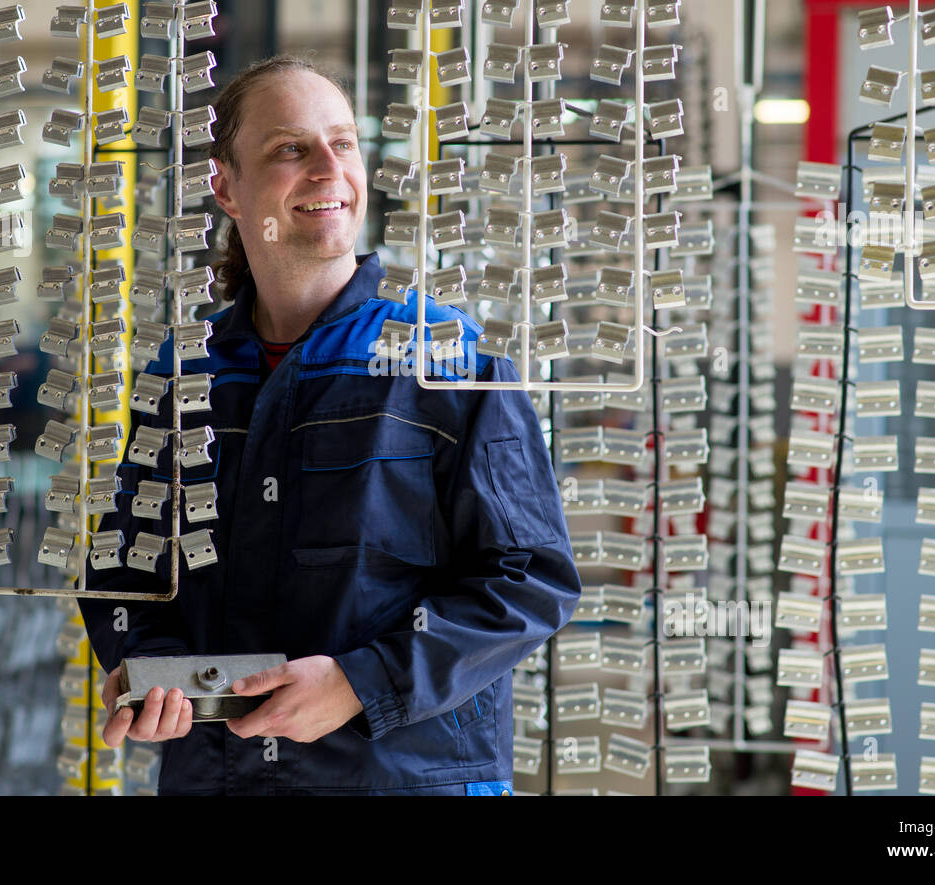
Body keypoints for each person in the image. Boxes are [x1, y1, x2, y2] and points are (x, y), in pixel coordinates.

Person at [78, 54, 581, 795]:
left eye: (343, 143)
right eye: (291, 148)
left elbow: (530, 578)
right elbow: (125, 571)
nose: (328, 168)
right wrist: (147, 668)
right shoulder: (183, 375)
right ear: (226, 187)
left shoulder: (443, 360)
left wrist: (359, 681)